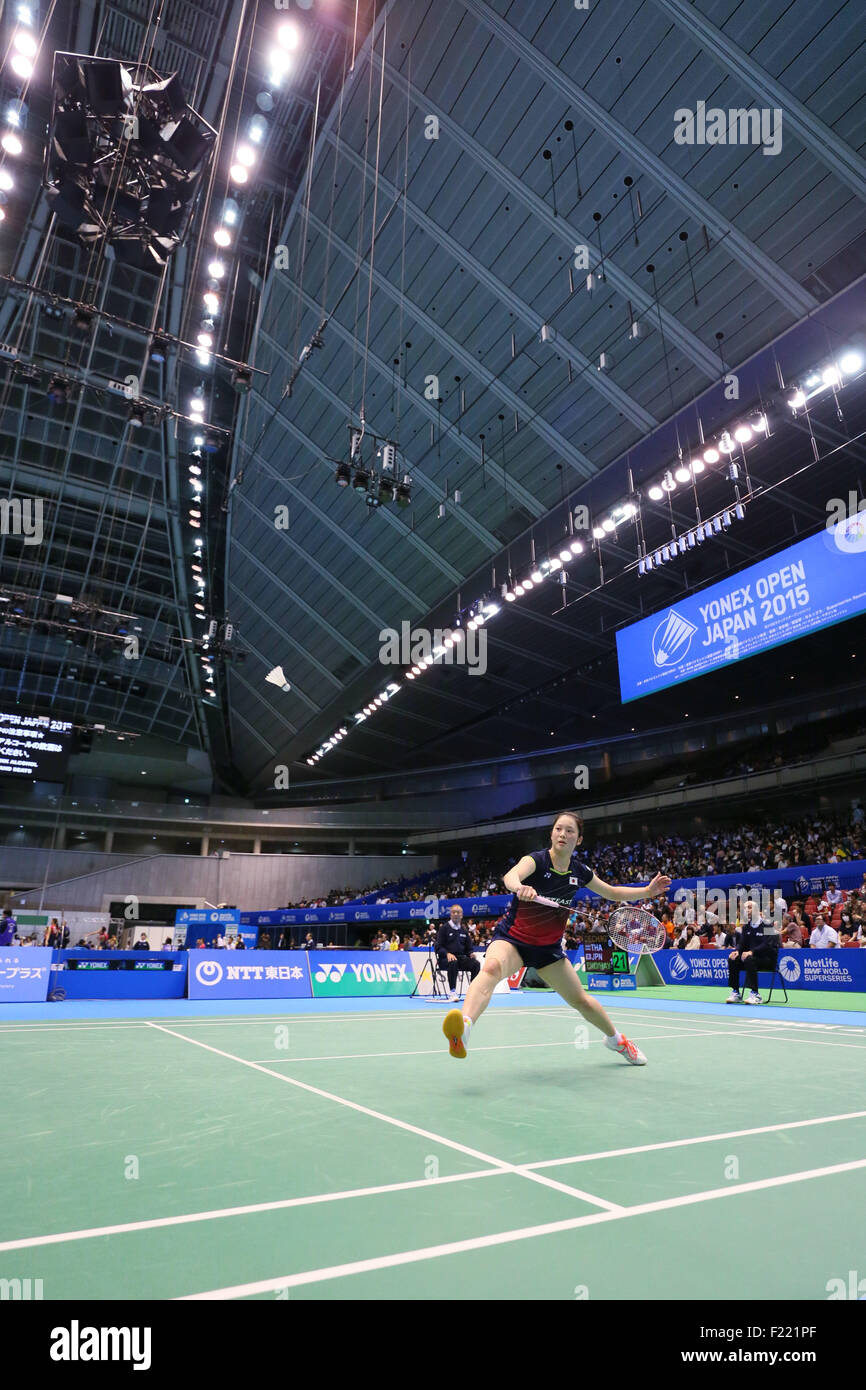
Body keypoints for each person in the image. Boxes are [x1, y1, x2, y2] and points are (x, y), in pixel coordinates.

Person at [442, 811, 670, 1066]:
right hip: (513, 940)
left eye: (569, 831)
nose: (563, 834)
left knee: (581, 1001)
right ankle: (464, 1028)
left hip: (548, 949)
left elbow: (613, 892)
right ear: (551, 833)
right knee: (492, 968)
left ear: (579, 839)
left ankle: (617, 1040)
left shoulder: (580, 872)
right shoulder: (536, 861)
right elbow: (510, 876)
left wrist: (648, 891)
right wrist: (520, 887)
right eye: (558, 829)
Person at [726, 901, 779, 1004]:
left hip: (767, 960)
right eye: (745, 908)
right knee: (733, 959)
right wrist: (736, 951)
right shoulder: (746, 927)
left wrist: (752, 952)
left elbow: (767, 945)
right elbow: (742, 943)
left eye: (749, 907)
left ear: (757, 910)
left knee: (749, 959)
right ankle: (736, 992)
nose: (747, 910)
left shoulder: (768, 925)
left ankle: (755, 994)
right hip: (751, 959)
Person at [435, 904, 480, 1002]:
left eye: (458, 912)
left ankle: (473, 992)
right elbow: (438, 947)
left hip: (460, 958)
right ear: (450, 915)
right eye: (453, 912)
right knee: (453, 961)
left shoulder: (464, 930)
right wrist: (447, 954)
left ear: (461, 915)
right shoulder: (444, 928)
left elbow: (468, 947)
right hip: (445, 959)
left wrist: (471, 953)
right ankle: (452, 992)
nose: (456, 914)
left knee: (476, 964)